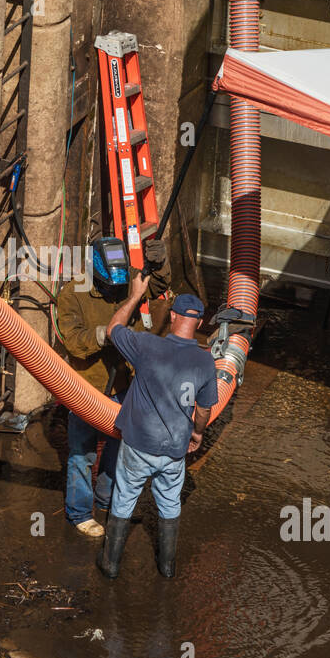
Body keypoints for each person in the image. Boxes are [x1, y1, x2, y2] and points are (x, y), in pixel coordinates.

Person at [97, 276, 217, 578]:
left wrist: (136, 295)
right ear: (200, 324)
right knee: (169, 504)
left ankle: (110, 566)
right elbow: (203, 409)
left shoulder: (146, 345)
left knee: (124, 498)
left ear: (173, 316)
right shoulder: (205, 363)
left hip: (138, 443)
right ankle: (167, 566)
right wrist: (197, 432)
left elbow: (114, 330)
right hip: (174, 448)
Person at [55, 237, 171, 537]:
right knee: (82, 452)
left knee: (118, 445)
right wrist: (109, 334)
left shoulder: (127, 279)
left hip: (123, 382)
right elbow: (74, 345)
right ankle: (79, 512)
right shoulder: (71, 294)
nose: (113, 292)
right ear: (95, 272)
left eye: (116, 288)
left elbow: (156, 286)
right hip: (86, 387)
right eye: (107, 287)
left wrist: (159, 265)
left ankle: (107, 500)